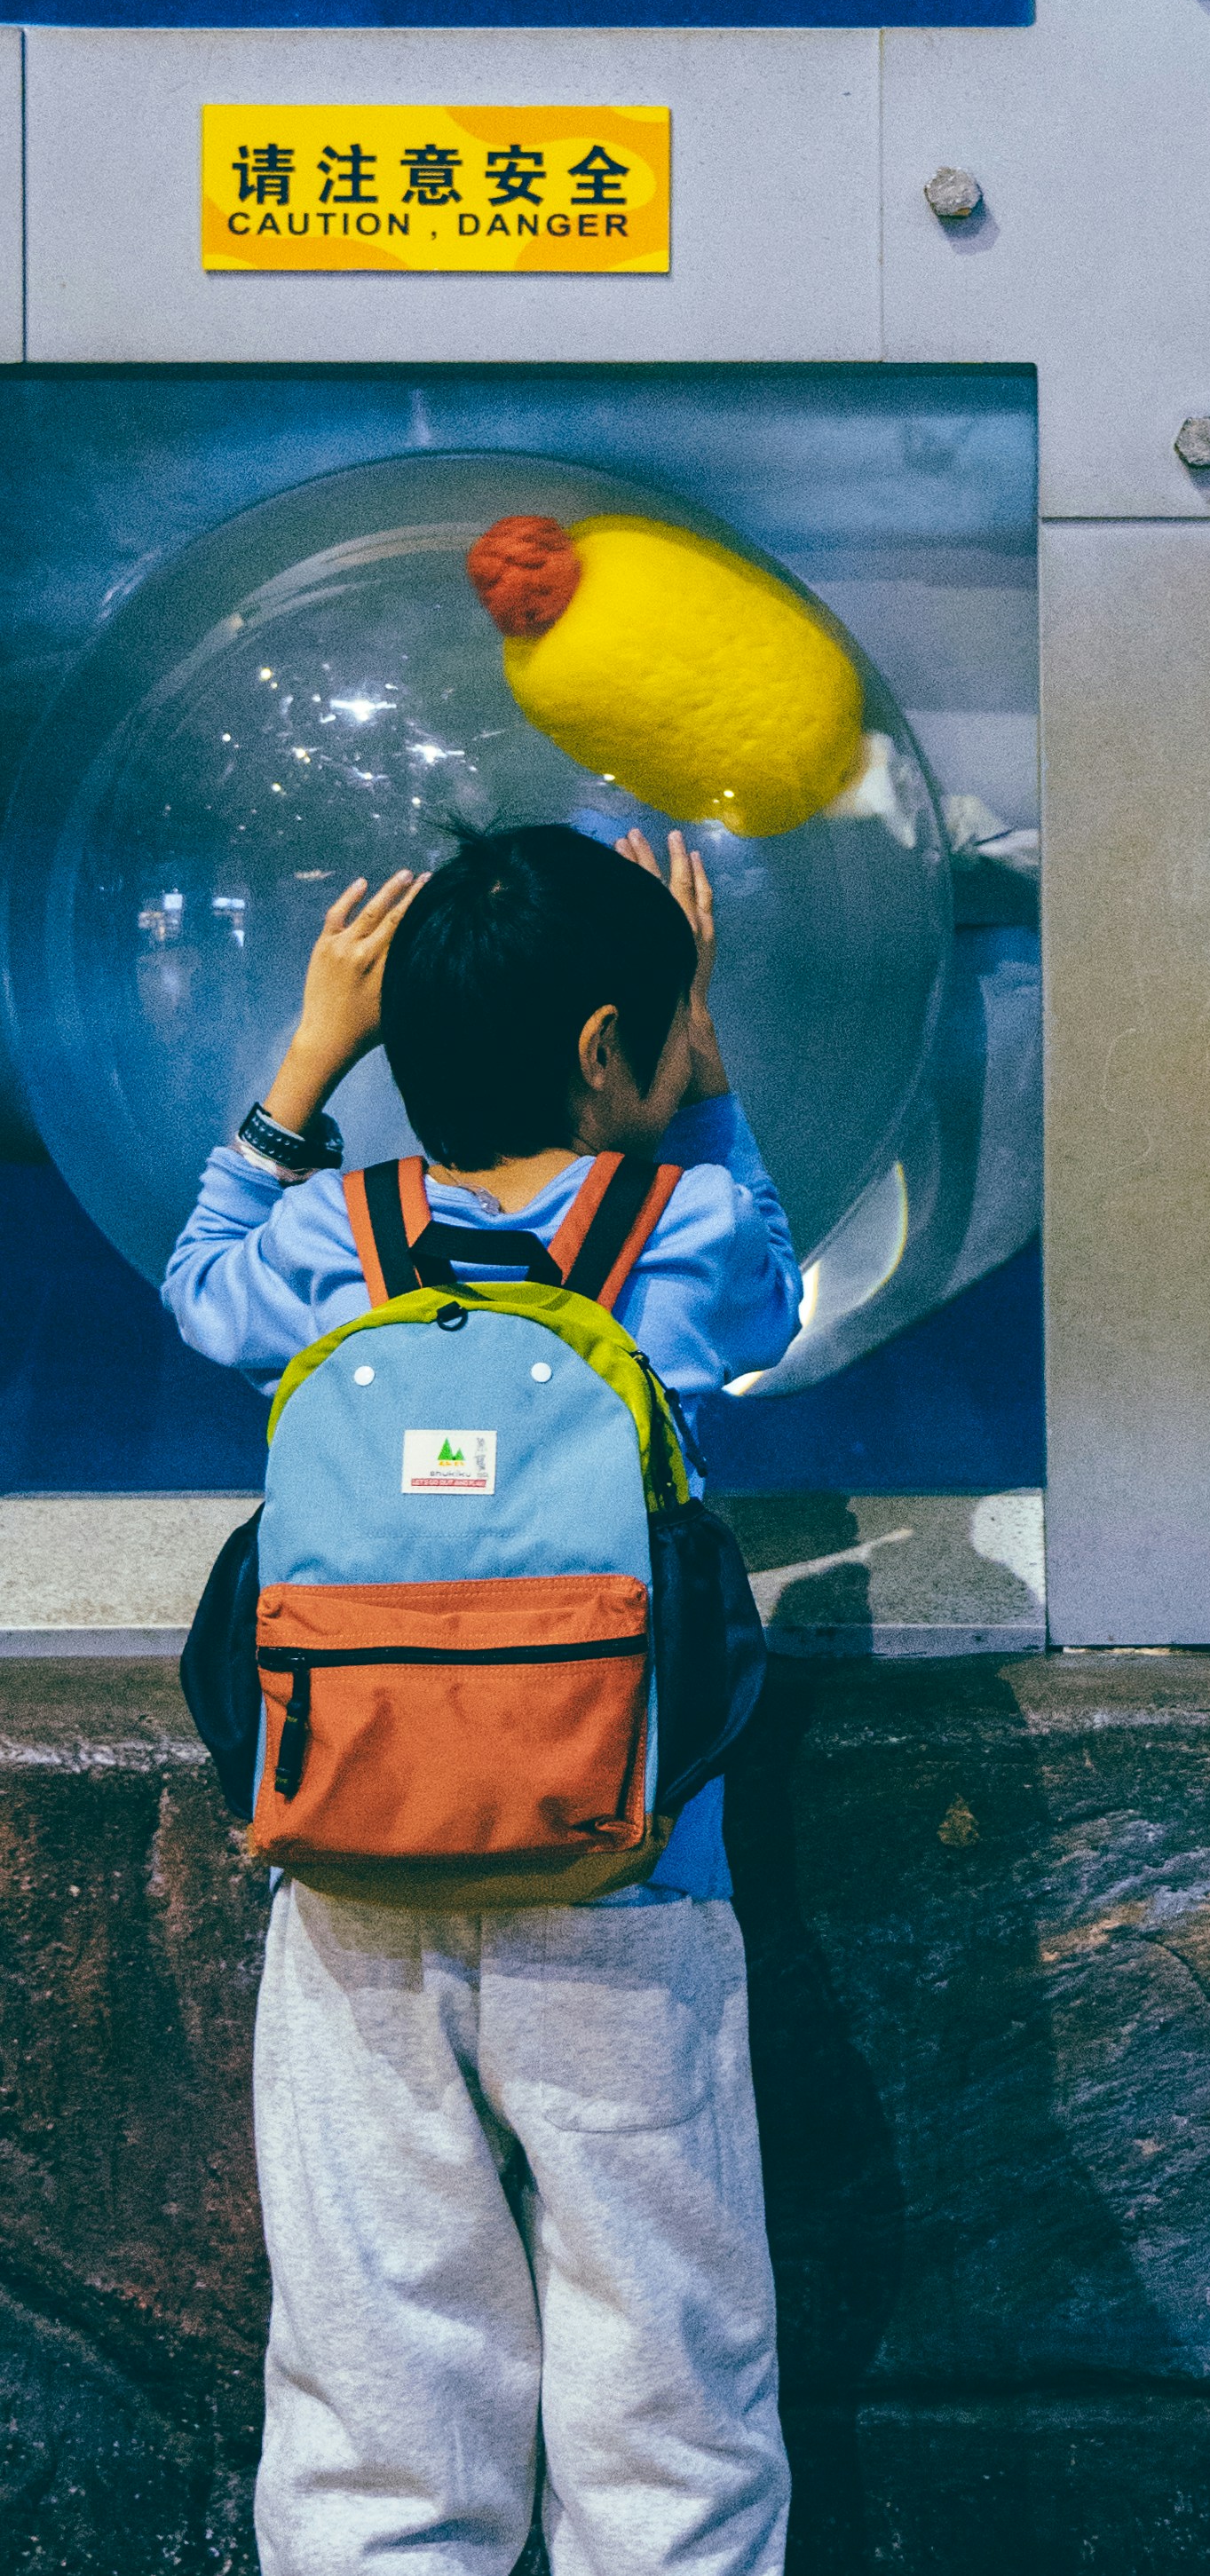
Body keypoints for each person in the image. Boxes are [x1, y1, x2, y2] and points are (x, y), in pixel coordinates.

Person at [164, 820, 799, 2576]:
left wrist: (308, 1065)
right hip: (626, 1887)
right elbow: (769, 1288)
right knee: (662, 2374)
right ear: (612, 1052)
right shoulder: (673, 1237)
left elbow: (193, 1285)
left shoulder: (325, 1247)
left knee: (377, 2380)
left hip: (350, 1881)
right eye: (665, 1029)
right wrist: (709, 1085)